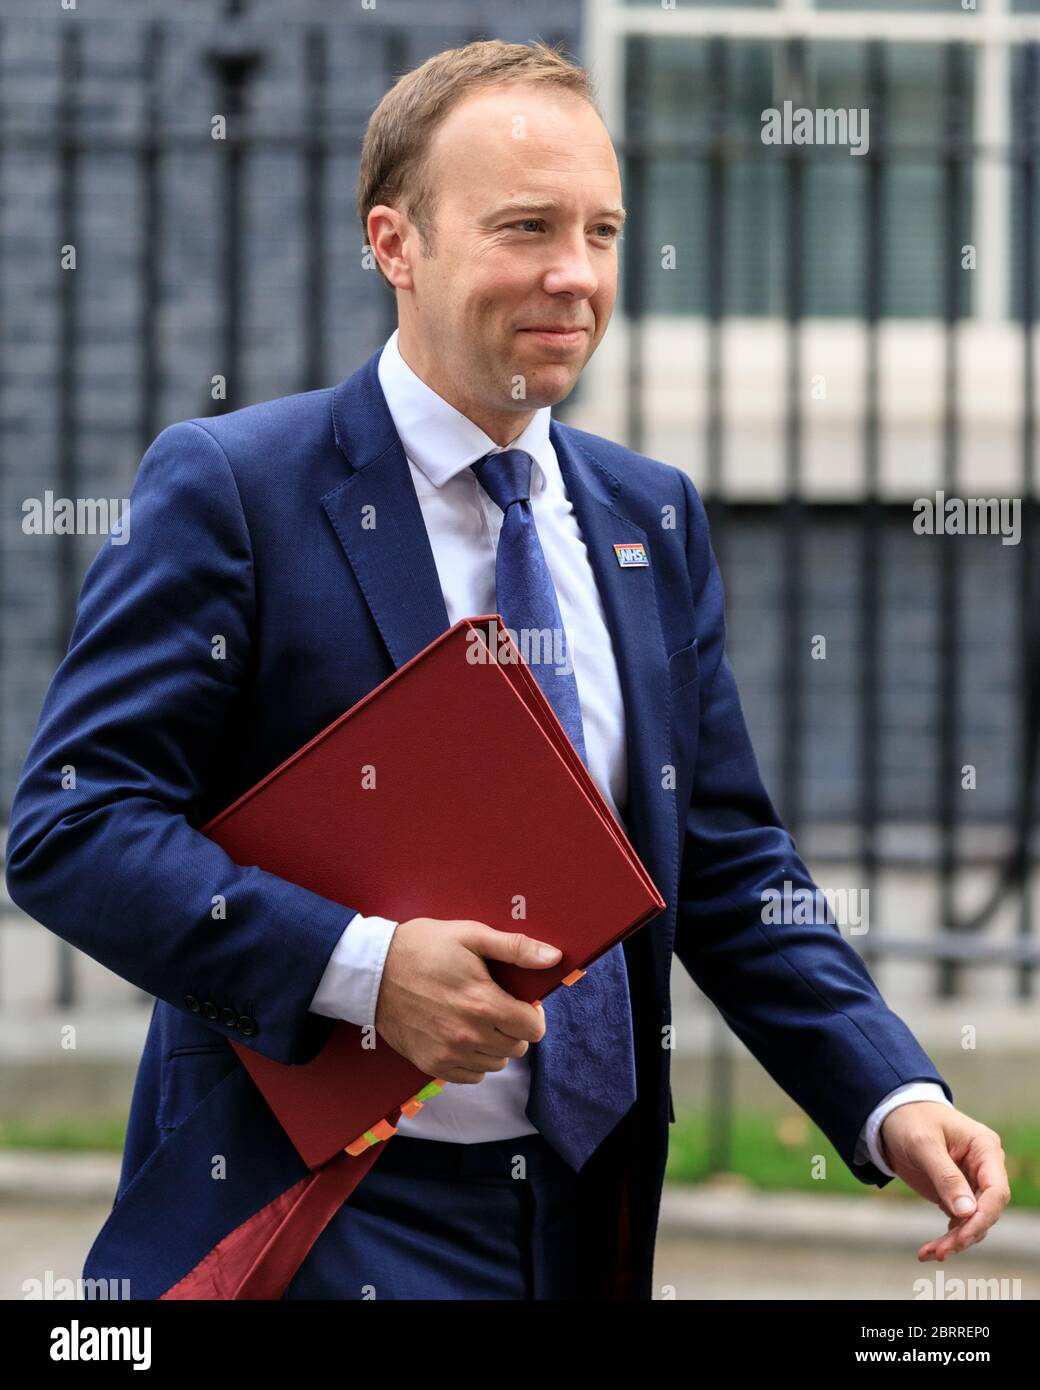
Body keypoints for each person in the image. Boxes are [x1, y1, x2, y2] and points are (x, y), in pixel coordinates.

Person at [4, 38, 1009, 1301]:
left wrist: (887, 1088)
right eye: (526, 227)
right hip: (323, 1214)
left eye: (601, 230)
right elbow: (73, 823)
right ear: (395, 244)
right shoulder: (235, 490)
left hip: (586, 1221)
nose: (574, 276)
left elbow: (723, 859)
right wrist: (360, 969)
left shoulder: (651, 517)